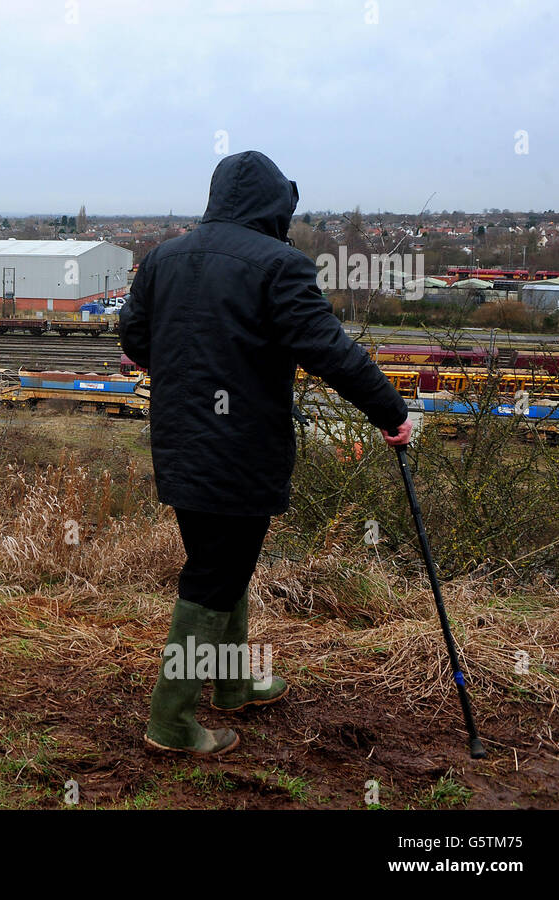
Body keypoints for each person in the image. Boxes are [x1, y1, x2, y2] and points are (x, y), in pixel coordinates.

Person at [119, 150, 413, 756]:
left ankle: (231, 686)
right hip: (240, 446)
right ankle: (171, 719)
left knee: (223, 563)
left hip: (179, 439)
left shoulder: (163, 259)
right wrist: (391, 411)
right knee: (213, 573)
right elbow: (329, 349)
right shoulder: (280, 265)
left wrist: (188, 377)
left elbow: (134, 338)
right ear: (275, 206)